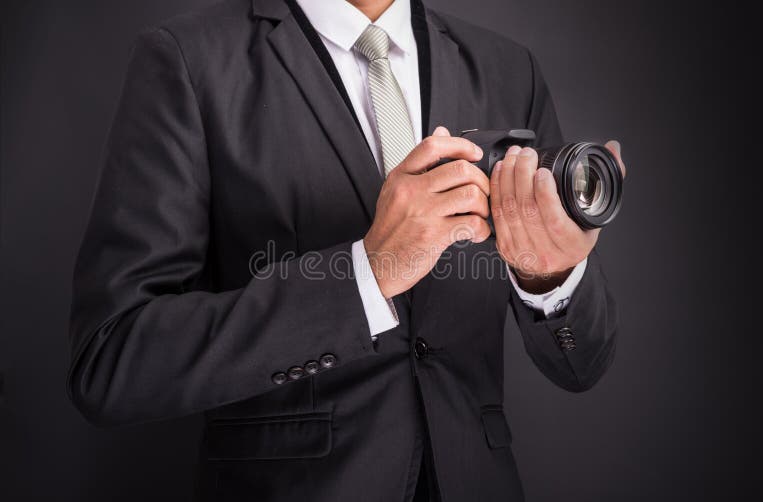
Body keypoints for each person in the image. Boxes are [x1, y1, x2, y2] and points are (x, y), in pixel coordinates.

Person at [68, 0, 624, 500]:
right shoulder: (189, 59)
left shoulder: (510, 68)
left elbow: (581, 365)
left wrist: (552, 277)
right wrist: (367, 275)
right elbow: (111, 360)